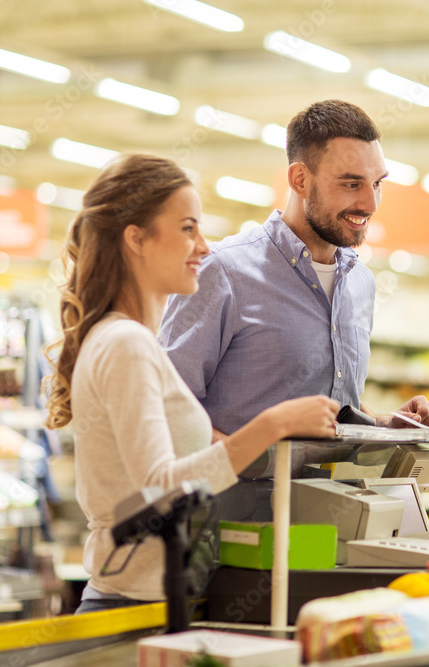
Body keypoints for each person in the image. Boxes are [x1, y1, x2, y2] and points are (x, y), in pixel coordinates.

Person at [44, 154, 339, 613]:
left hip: (153, 599)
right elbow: (160, 491)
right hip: (132, 607)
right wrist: (273, 425)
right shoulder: (125, 343)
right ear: (136, 238)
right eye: (187, 228)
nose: (204, 246)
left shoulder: (126, 340)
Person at [160, 100, 429, 516]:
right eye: (351, 184)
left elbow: (329, 395)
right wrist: (250, 463)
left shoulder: (360, 283)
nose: (370, 203)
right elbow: (169, 411)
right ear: (299, 179)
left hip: (332, 523)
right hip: (229, 532)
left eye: (377, 183)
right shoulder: (224, 271)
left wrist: (383, 423)